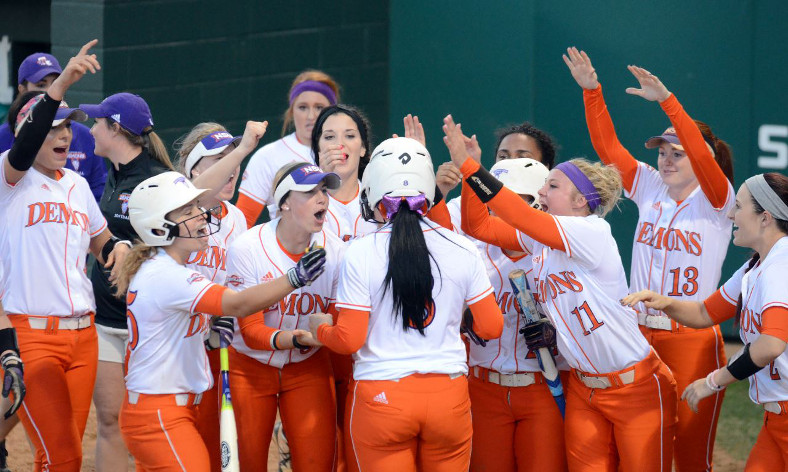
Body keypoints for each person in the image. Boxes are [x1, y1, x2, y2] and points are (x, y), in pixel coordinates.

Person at [444, 115, 677, 472]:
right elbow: (479, 225)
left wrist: (470, 166)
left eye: (551, 186)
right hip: (585, 389)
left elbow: (521, 216)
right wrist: (469, 177)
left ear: (582, 200)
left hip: (636, 384)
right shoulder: (540, 242)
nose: (540, 192)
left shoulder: (591, 231)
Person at [563, 47, 735, 471]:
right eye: (663, 151)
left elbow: (695, 147)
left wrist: (667, 101)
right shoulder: (650, 186)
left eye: (677, 152)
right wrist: (592, 92)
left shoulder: (718, 200)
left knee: (691, 454)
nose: (667, 159)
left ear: (703, 158)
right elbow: (608, 148)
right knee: (639, 450)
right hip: (637, 333)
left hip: (692, 336)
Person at [309, 137, 505, 472]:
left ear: (372, 189)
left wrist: (320, 328)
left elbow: (349, 340)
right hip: (448, 398)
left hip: (382, 399)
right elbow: (491, 327)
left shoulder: (360, 250)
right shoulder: (461, 248)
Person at [116, 171, 327, 472]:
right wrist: (295, 278)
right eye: (187, 212)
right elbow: (239, 304)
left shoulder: (161, 269)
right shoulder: (169, 275)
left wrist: (209, 340)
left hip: (163, 408)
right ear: (160, 227)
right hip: (160, 414)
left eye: (196, 208)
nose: (201, 216)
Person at [0, 40, 132, 472]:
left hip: (83, 336)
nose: (64, 134)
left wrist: (120, 251)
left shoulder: (74, 184)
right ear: (28, 132)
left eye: (68, 126)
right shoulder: (9, 178)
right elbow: (24, 146)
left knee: (59, 455)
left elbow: (100, 240)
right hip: (31, 336)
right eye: (54, 126)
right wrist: (60, 87)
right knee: (63, 457)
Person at [622, 172, 788, 471]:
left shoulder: (781, 265)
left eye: (738, 206)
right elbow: (704, 313)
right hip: (775, 420)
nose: (730, 213)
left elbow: (771, 345)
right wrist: (666, 302)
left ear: (765, 218)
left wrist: (713, 381)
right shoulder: (758, 263)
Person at [78, 91, 175, 471]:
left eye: (97, 122)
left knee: (148, 426)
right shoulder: (113, 176)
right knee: (108, 422)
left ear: (115, 129)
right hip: (106, 320)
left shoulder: (160, 181)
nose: (91, 128)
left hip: (148, 325)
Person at [225, 162, 345, 471]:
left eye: (323, 190)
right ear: (284, 203)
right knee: (248, 463)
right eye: (309, 191)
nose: (322, 198)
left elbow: (336, 317)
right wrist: (300, 337)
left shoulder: (337, 252)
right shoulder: (248, 247)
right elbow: (250, 331)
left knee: (317, 463)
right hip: (250, 368)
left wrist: (320, 335)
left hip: (308, 367)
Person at [459, 157, 569, 471]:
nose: (496, 208)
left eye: (509, 200)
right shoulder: (470, 253)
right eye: (491, 200)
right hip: (483, 388)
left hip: (543, 387)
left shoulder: (558, 255)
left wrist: (557, 333)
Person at [174, 120, 267, 471]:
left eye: (234, 159)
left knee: (215, 449)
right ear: (194, 168)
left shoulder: (238, 220)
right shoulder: (173, 209)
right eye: (219, 160)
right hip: (176, 348)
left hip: (217, 349)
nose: (232, 170)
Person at [237, 70, 341, 226]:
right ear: (292, 112)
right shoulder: (268, 156)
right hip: (290, 248)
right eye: (302, 107)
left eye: (319, 107)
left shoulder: (350, 152)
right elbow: (242, 222)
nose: (311, 116)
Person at [0, 51, 106, 201]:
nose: (50, 90)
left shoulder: (85, 139)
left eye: (56, 82)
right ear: (22, 90)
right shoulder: (6, 139)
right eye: (41, 84)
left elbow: (98, 195)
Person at [436, 121, 558, 234]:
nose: (511, 162)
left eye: (522, 157)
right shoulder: (466, 205)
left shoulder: (555, 214)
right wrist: (439, 190)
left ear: (545, 167)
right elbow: (439, 239)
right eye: (503, 156)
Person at [312, 104, 378, 242]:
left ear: (363, 148)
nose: (339, 144)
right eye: (329, 137)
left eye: (349, 135)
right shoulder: (301, 202)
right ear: (317, 149)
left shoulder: (379, 201)